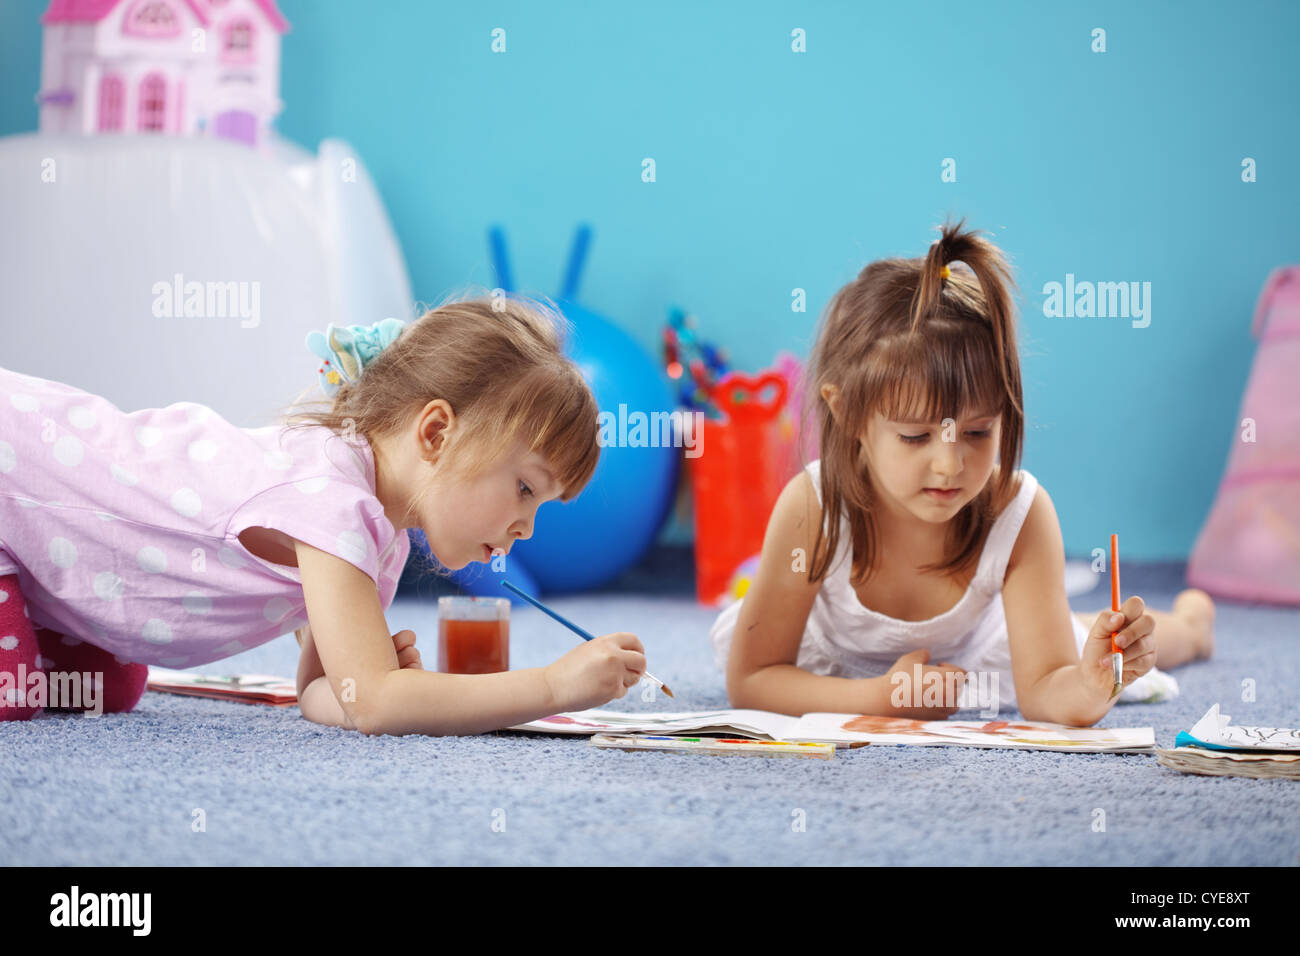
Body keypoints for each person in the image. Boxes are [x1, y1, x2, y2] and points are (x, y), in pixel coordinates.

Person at [0, 295, 646, 733]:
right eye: (526, 489)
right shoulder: (331, 502)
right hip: (13, 469)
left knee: (108, 690)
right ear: (436, 434)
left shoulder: (380, 539)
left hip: (67, 565)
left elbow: (327, 696)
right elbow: (377, 707)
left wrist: (383, 685)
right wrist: (554, 688)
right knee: (17, 693)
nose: (527, 528)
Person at [711, 220, 1214, 726]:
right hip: (832, 667)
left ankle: (1193, 626)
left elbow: (1046, 689)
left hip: (977, 649)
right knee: (1063, 624)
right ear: (845, 414)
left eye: (977, 433)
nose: (951, 465)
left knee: (1085, 637)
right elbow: (754, 678)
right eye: (915, 436)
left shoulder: (1020, 514)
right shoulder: (813, 508)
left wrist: (1090, 683)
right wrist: (884, 699)